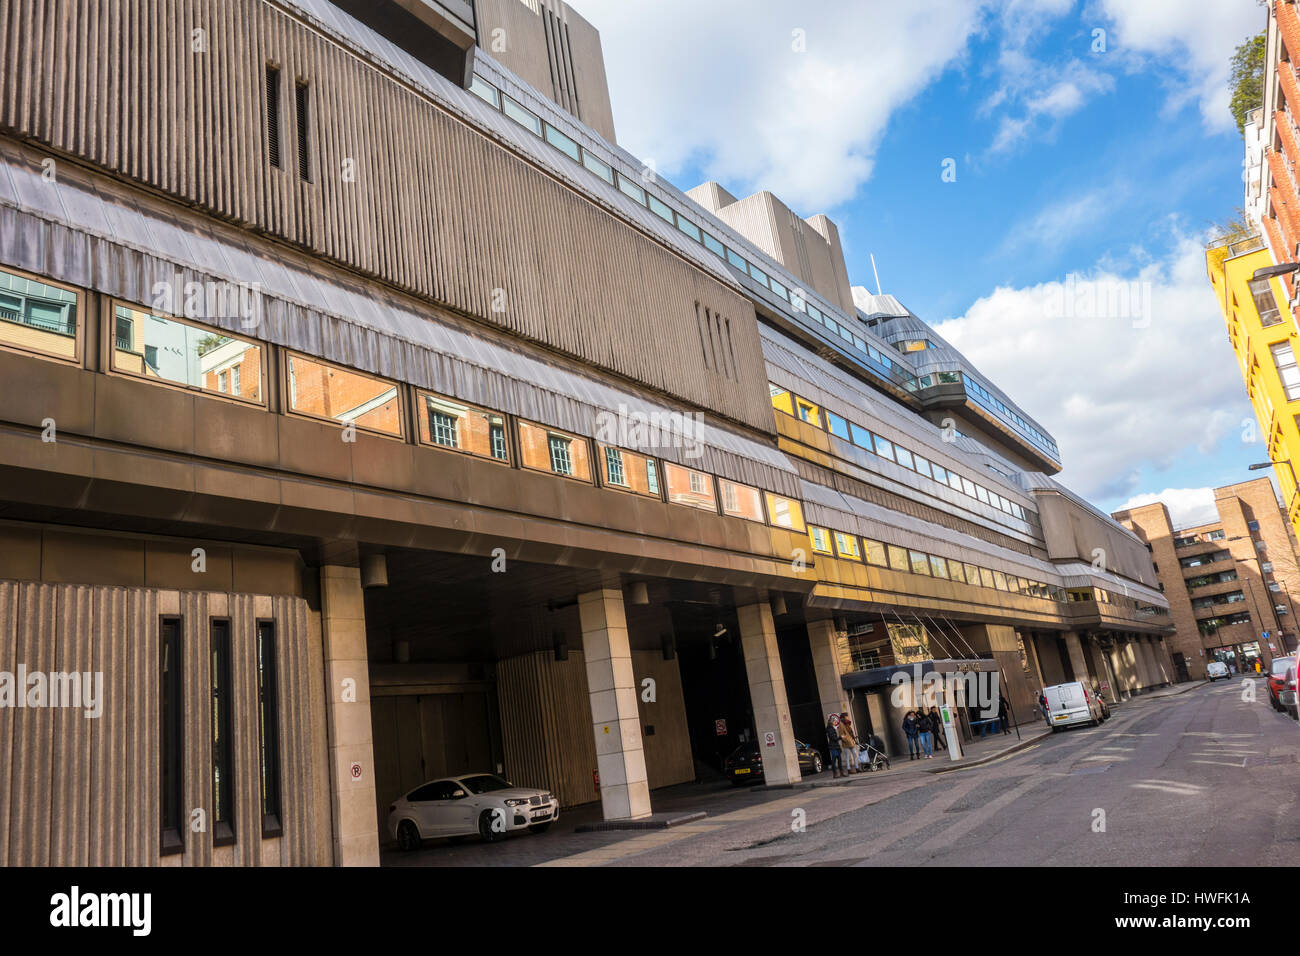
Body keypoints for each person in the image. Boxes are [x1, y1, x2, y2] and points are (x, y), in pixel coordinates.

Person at [825, 714, 844, 778]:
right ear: (832, 722)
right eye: (835, 722)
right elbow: (833, 738)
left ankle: (841, 772)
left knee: (839, 759)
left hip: (836, 746)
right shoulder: (830, 729)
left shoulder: (832, 728)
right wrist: (840, 737)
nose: (836, 723)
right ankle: (835, 773)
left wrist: (839, 738)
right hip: (833, 746)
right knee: (834, 760)